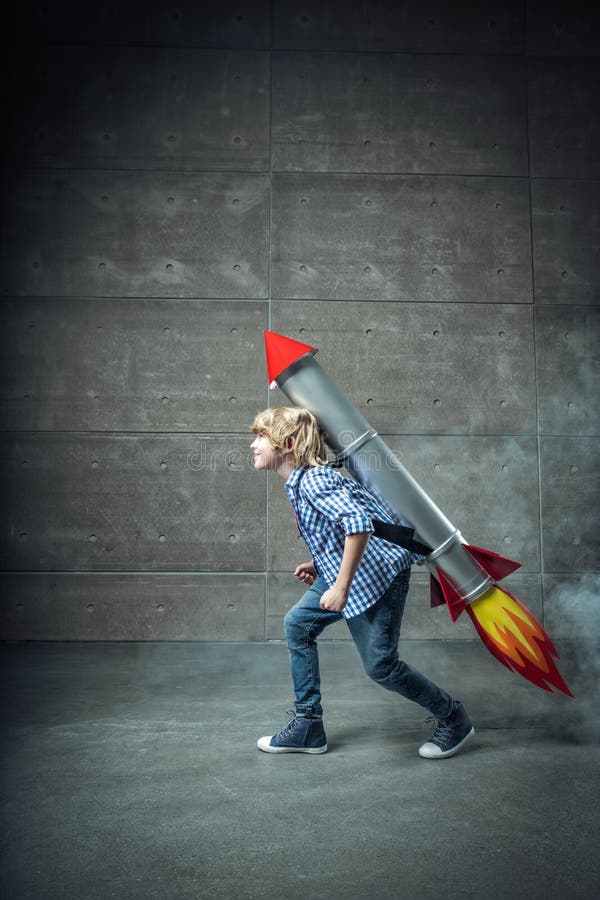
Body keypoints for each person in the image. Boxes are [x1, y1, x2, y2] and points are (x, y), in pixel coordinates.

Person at [250, 406, 474, 760]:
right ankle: (309, 725)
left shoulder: (315, 480)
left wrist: (339, 586)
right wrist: (319, 561)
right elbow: (344, 525)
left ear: (288, 444)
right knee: (298, 625)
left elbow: (359, 524)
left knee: (381, 666)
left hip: (377, 577)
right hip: (351, 570)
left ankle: (454, 717)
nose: (254, 444)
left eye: (261, 436)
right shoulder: (300, 483)